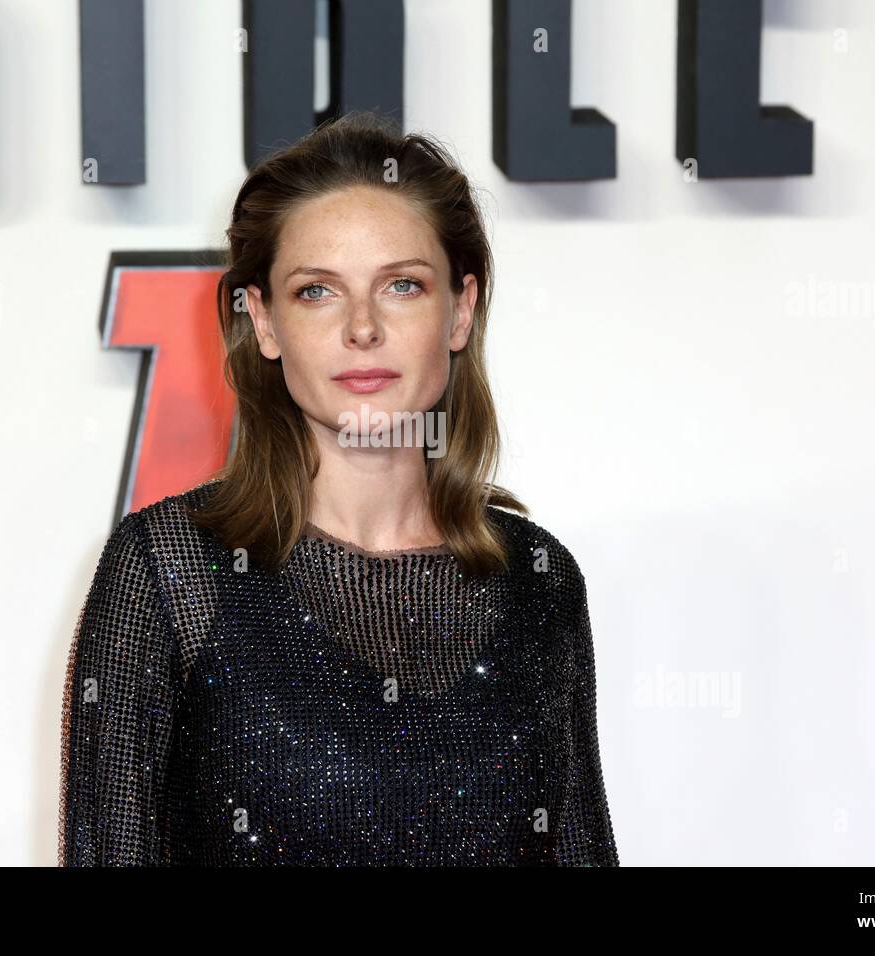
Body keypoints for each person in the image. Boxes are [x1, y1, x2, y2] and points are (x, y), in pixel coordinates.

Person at [58, 110, 621, 866]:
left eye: (402, 286)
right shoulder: (169, 571)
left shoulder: (539, 583)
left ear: (460, 309)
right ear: (263, 321)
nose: (362, 328)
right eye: (317, 291)